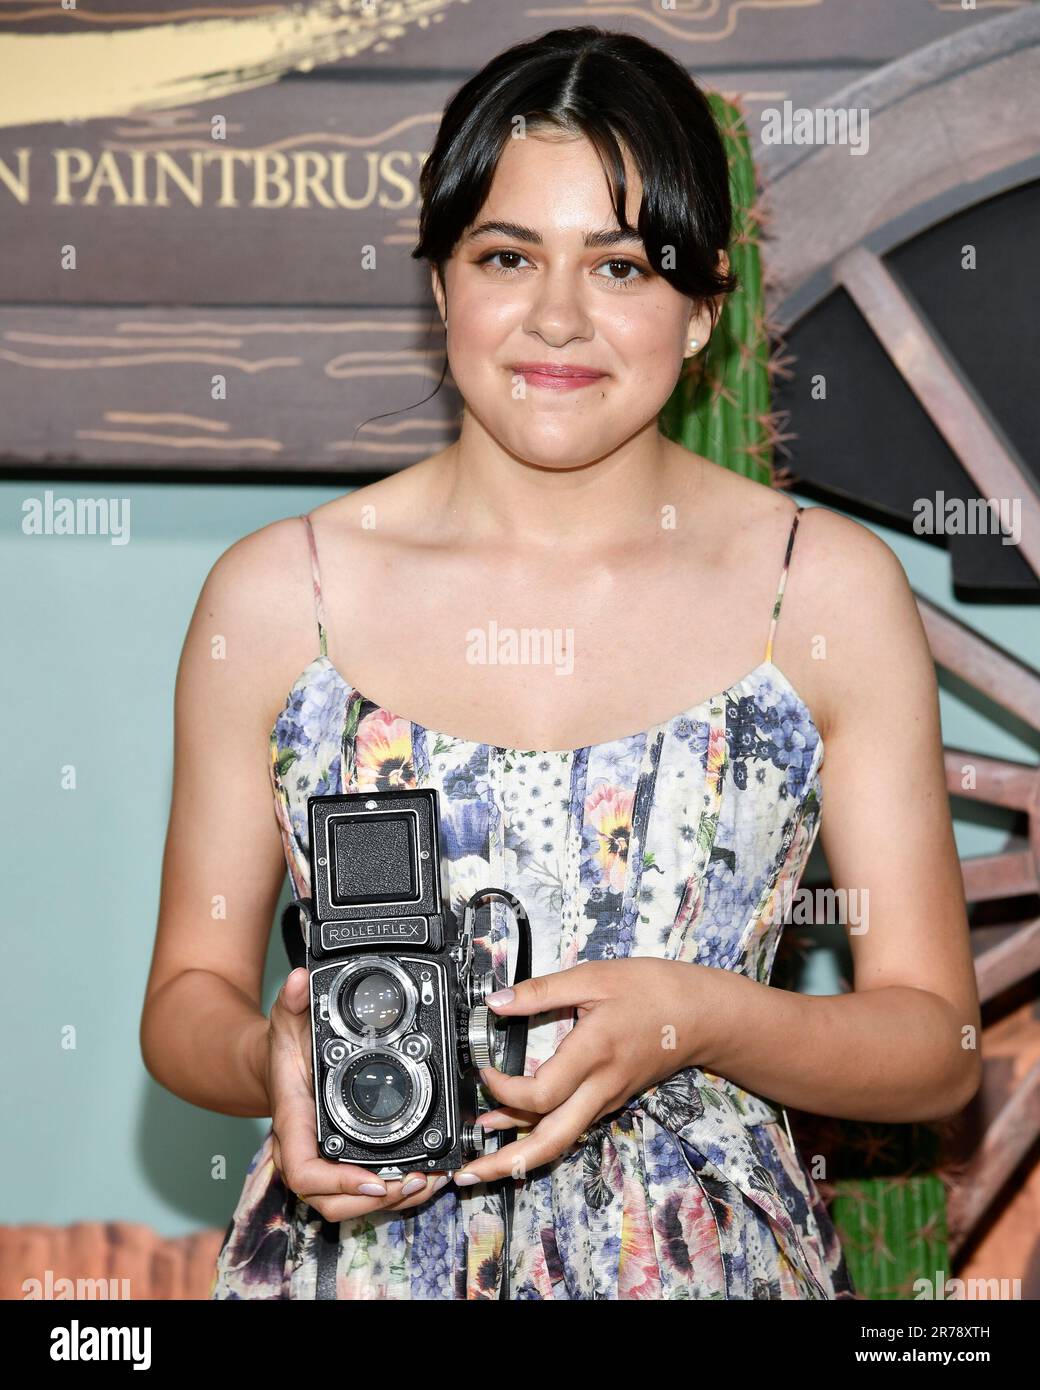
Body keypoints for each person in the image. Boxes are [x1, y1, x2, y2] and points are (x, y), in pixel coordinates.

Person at [140, 26, 981, 1300]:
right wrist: (279, 1056)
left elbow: (934, 1043)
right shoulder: (274, 600)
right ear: (438, 284)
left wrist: (694, 1019)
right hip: (357, 1258)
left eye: (623, 268)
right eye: (505, 255)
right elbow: (185, 999)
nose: (556, 318)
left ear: (703, 312)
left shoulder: (820, 593)